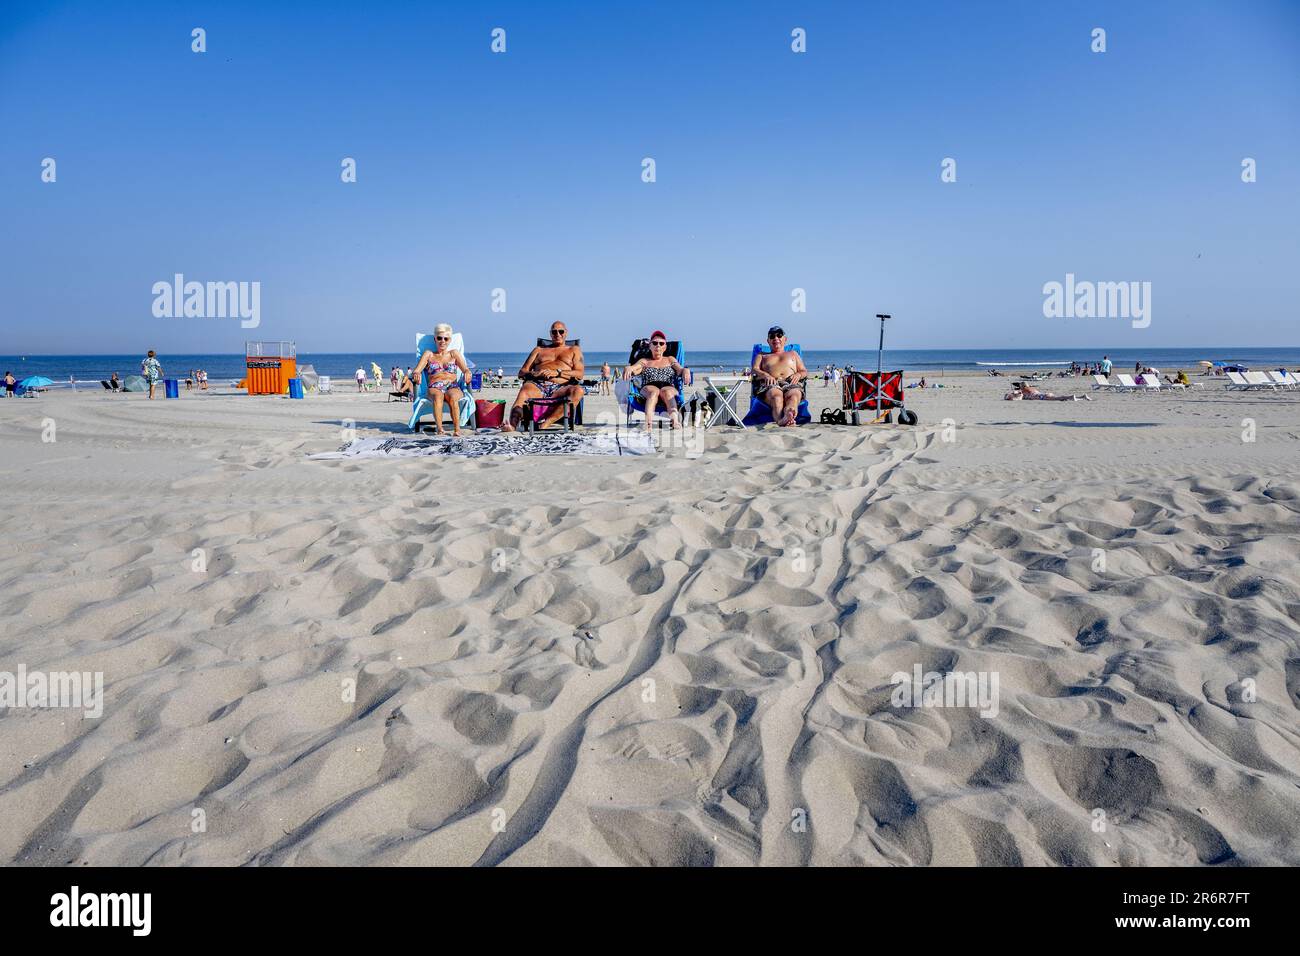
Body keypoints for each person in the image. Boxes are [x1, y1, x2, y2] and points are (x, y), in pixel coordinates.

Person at [504, 322, 585, 432]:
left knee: (579, 391)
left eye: (561, 331)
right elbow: (522, 372)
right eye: (554, 331)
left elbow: (579, 374)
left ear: (566, 333)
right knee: (525, 390)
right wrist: (534, 373)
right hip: (538, 386)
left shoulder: (573, 350)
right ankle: (512, 426)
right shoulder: (538, 350)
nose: (557, 334)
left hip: (561, 388)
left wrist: (558, 373)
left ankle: (546, 423)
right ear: (550, 334)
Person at [623, 330, 691, 431]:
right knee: (654, 391)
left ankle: (675, 421)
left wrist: (686, 370)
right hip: (649, 386)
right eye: (654, 343)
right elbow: (634, 368)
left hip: (668, 386)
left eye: (661, 343)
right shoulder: (645, 361)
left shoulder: (670, 359)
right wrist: (628, 368)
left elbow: (680, 369)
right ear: (650, 346)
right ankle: (648, 424)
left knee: (667, 392)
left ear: (665, 347)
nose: (658, 346)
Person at [411, 323, 470, 436]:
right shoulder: (429, 354)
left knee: (452, 397)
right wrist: (416, 373)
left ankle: (457, 429)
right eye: (439, 338)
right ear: (435, 339)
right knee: (438, 396)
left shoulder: (454, 354)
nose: (442, 341)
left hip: (452, 385)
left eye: (446, 338)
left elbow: (465, 369)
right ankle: (439, 428)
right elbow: (417, 370)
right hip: (434, 387)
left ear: (449, 340)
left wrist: (467, 372)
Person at [752, 326, 808, 426]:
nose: (776, 338)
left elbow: (804, 371)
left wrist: (799, 374)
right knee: (776, 396)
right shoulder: (762, 355)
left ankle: (789, 414)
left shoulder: (793, 354)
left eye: (779, 335)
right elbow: (754, 369)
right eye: (772, 336)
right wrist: (765, 375)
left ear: (785, 339)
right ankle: (780, 421)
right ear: (768, 341)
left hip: (791, 383)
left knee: (793, 396)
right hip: (771, 383)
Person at [1004, 382, 1092, 402]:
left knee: (1060, 398)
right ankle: (1082, 397)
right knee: (1060, 398)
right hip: (1044, 394)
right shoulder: (1031, 388)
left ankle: (1072, 396)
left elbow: (1015, 397)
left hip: (1042, 397)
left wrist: (1013, 394)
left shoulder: (1022, 391)